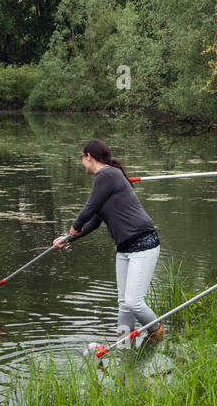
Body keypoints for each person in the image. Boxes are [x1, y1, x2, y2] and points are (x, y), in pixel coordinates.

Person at [54, 140, 163, 345]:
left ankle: (157, 330)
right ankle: (123, 344)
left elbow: (89, 207)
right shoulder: (107, 179)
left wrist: (74, 226)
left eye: (82, 158)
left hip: (144, 243)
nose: (82, 163)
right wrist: (68, 239)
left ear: (88, 156)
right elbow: (95, 221)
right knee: (123, 303)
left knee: (134, 302)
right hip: (124, 248)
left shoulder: (108, 174)